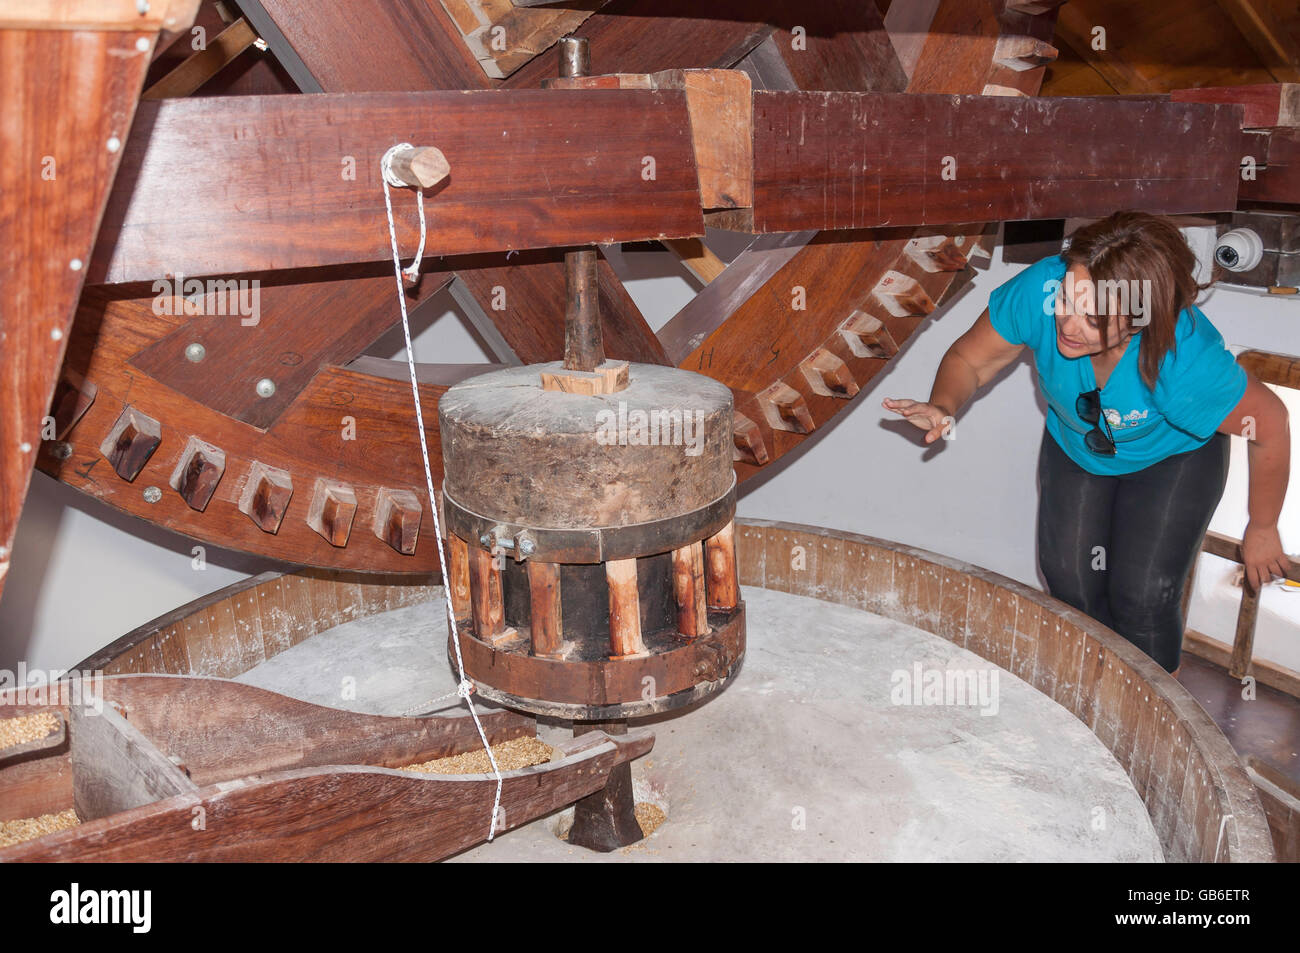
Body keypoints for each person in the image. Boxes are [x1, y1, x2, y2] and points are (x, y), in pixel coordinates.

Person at [883, 211, 1291, 676]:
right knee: (1070, 581)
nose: (1069, 325)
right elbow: (971, 362)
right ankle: (1093, 696)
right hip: (1078, 444)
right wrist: (943, 405)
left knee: (1139, 599)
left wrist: (1262, 526)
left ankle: (1151, 726)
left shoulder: (1185, 364)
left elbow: (1271, 425)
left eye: (1094, 319)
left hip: (1173, 459)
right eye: (1066, 300)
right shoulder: (1039, 292)